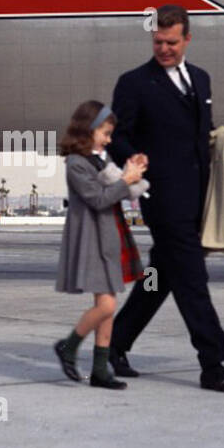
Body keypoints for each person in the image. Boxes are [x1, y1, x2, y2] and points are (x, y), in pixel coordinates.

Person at [108, 4, 224, 392]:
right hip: (163, 198)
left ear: (188, 39)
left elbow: (198, 133)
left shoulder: (201, 80)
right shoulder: (134, 83)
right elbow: (116, 137)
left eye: (171, 42)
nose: (164, 49)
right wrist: (133, 160)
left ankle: (114, 345)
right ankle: (212, 363)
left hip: (199, 197)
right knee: (192, 279)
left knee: (162, 276)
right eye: (158, 42)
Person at [54, 100, 148, 390]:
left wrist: (133, 172)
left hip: (109, 235)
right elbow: (98, 199)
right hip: (92, 240)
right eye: (105, 133)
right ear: (88, 129)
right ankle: (68, 346)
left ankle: (99, 370)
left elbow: (124, 189)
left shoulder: (99, 160)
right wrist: (126, 181)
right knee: (107, 305)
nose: (108, 139)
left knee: (105, 303)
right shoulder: (76, 163)